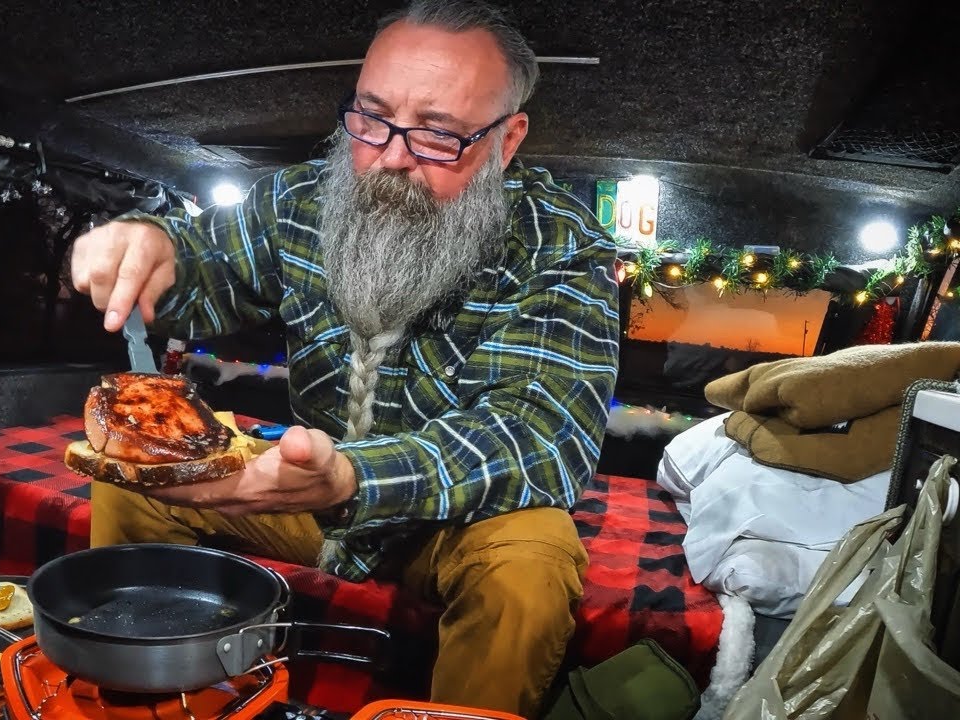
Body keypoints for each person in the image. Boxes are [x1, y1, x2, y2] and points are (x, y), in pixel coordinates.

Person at [69, 0, 620, 714]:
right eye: (370, 116)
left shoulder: (561, 247)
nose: (389, 158)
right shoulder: (301, 199)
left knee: (532, 563)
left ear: (507, 140)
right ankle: (144, 699)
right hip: (310, 492)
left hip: (443, 523)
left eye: (438, 135)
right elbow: (203, 270)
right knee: (133, 475)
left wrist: (355, 478)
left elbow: (538, 435)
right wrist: (150, 247)